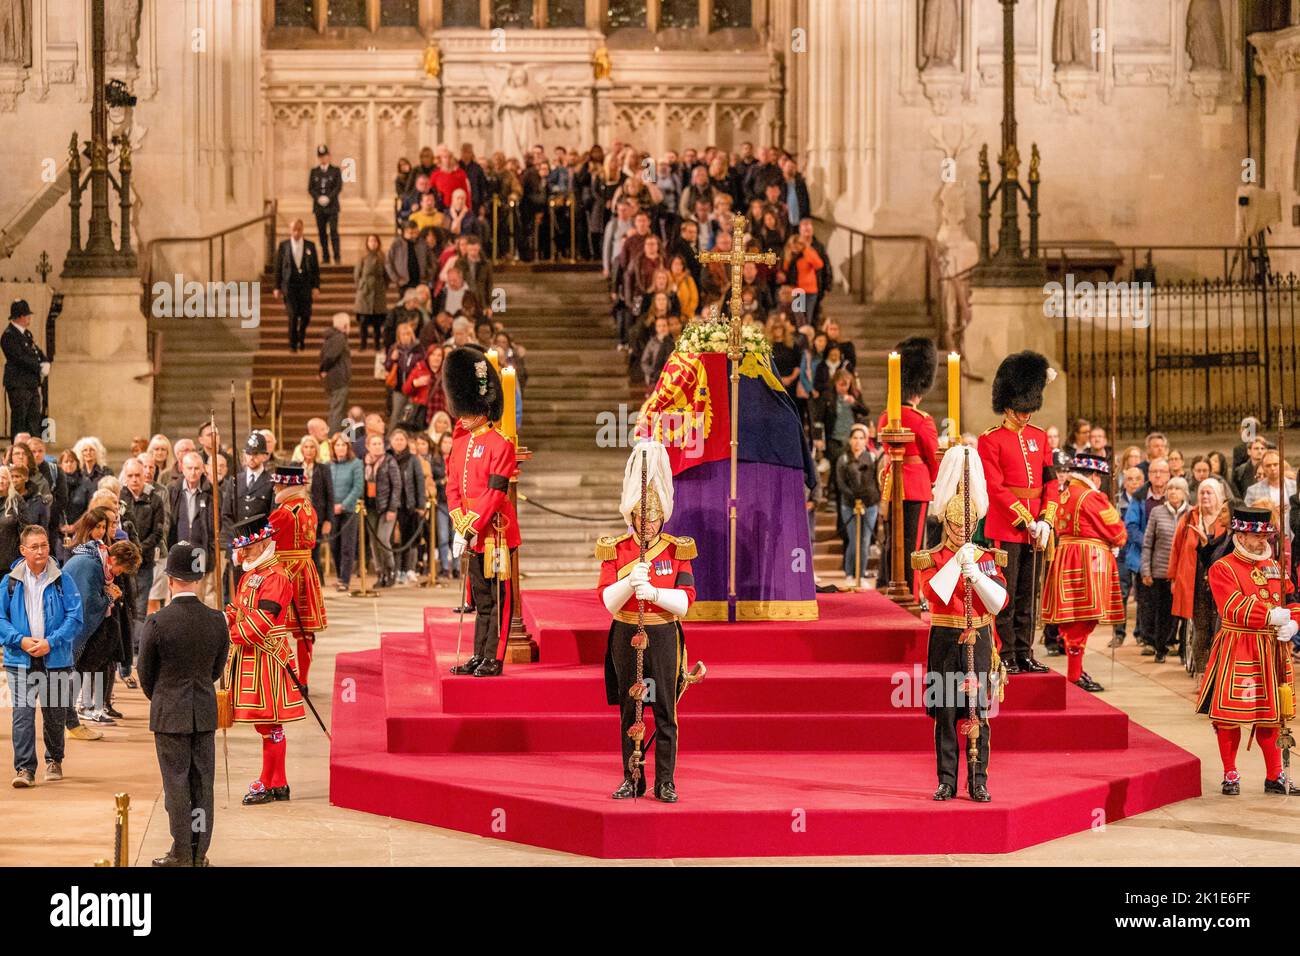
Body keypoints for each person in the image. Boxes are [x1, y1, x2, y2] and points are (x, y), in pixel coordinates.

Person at [596, 440, 697, 802]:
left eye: (655, 517)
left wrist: (654, 593)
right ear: (633, 516)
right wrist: (628, 583)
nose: (650, 524)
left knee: (665, 709)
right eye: (643, 517)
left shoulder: (677, 548)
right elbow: (607, 601)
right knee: (629, 707)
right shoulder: (617, 548)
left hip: (664, 635)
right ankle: (632, 777)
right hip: (625, 631)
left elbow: (685, 602)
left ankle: (666, 780)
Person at [912, 445, 1007, 802]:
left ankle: (978, 778)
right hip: (945, 637)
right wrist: (956, 564)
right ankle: (947, 779)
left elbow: (998, 601)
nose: (963, 532)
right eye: (958, 527)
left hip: (979, 637)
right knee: (946, 712)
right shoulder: (931, 558)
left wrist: (978, 574)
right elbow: (934, 595)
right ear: (948, 526)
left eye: (968, 526)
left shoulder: (984, 556)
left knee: (978, 711)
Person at [136, 542, 230, 866]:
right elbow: (217, 668)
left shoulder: (158, 622)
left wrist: (162, 695)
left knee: (176, 785)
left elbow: (145, 672)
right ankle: (199, 850)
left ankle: (181, 852)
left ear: (172, 579)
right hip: (203, 711)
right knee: (203, 785)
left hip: (169, 712)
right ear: (199, 579)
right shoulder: (217, 620)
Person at [1196, 505, 1300, 795]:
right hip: (1239, 646)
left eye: (1266, 535)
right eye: (1256, 536)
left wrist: (1293, 623)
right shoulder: (1223, 567)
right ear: (1239, 536)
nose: (1262, 541)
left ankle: (1275, 775)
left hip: (1272, 648)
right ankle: (1230, 773)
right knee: (1229, 715)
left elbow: (1291, 599)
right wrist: (1269, 616)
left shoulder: (1275, 566)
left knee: (1272, 713)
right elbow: (1231, 605)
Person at [977, 351, 1060, 677]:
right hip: (1008, 527)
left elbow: (1050, 481)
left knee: (1029, 594)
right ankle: (1005, 651)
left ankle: (1025, 652)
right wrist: (1025, 518)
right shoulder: (990, 440)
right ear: (1007, 405)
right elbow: (995, 487)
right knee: (1007, 595)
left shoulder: (1039, 437)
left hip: (1036, 528)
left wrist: (1046, 520)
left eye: (1029, 409)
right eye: (1021, 409)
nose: (1025, 415)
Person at [444, 347, 520, 678]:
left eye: (466, 410)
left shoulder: (500, 444)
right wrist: (459, 521)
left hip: (496, 535)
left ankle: (494, 656)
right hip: (473, 535)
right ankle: (478, 654)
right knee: (482, 601)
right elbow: (451, 486)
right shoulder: (461, 442)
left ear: (482, 409)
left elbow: (496, 492)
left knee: (500, 600)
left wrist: (471, 525)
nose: (460, 417)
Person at [224, 515, 306, 805]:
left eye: (246, 547)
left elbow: (261, 623)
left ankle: (269, 782)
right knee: (267, 726)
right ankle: (278, 782)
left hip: (267, 658)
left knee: (270, 724)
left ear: (261, 544)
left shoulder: (276, 577)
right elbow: (238, 607)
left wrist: (230, 635)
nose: (241, 553)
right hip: (252, 657)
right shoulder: (251, 573)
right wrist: (222, 620)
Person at [1, 525, 84, 788]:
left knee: (54, 714)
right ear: (23, 550)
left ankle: (54, 759)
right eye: (34, 546)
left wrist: (51, 642)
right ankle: (25, 768)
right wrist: (20, 640)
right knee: (22, 716)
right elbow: (1, 618)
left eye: (44, 545)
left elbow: (75, 617)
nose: (41, 551)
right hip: (20, 659)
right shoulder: (10, 582)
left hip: (56, 657)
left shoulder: (62, 579)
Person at [1040, 452, 1126, 692]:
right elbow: (1118, 532)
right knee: (1083, 619)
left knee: (1074, 618)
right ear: (1095, 476)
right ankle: (1075, 673)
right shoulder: (1091, 496)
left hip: (1066, 553)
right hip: (1088, 559)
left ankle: (1075, 669)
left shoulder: (1065, 493)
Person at [877, 337, 939, 592]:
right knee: (913, 544)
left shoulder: (885, 417)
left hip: (893, 483)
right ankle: (912, 593)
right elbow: (933, 456)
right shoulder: (921, 419)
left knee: (894, 541)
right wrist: (934, 480)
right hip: (916, 484)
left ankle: (893, 586)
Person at [266, 465, 327, 690]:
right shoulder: (308, 508)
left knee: (275, 626)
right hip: (306, 569)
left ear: (287, 486)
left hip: (285, 571)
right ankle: (303, 679)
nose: (274, 488)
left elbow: (265, 541)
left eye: (277, 484)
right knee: (304, 631)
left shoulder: (283, 513)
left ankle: (282, 676)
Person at [1142, 475, 1189, 663]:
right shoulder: (1157, 512)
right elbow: (1148, 543)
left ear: (1184, 492)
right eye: (1170, 489)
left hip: (1183, 572)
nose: (1173, 492)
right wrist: (1146, 569)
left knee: (1183, 614)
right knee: (1162, 612)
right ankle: (1159, 648)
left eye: (1177, 489)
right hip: (1161, 571)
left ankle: (1183, 650)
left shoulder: (1191, 513)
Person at [166, 451, 216, 606]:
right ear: (182, 468)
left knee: (197, 594)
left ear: (202, 469)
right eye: (189, 468)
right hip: (177, 547)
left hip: (199, 550)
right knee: (175, 595)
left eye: (196, 468)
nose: (193, 472)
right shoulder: (173, 490)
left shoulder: (211, 491)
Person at [837, 423, 880, 582]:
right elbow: (841, 484)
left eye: (861, 438)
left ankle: (861, 575)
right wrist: (855, 498)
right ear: (850, 440)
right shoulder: (844, 459)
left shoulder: (872, 457)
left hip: (870, 504)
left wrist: (871, 499)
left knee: (865, 540)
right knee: (853, 539)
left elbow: (875, 481)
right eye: (855, 438)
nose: (858, 441)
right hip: (849, 504)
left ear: (866, 440)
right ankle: (850, 573)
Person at [3, 300, 48, 440]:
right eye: (27, 315)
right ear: (20, 316)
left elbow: (37, 352)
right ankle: (18, 455)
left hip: (31, 384)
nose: (29, 317)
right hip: (19, 384)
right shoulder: (9, 335)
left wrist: (45, 361)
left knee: (33, 421)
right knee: (20, 422)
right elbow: (20, 358)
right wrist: (38, 366)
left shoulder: (27, 334)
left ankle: (33, 453)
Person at [273, 219, 321, 352]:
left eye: (299, 229)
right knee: (293, 316)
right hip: (290, 286)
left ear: (302, 229)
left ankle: (301, 337)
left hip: (305, 285)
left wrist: (316, 286)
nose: (296, 232)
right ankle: (293, 344)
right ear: (290, 230)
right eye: (294, 229)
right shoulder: (284, 246)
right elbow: (278, 268)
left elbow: (315, 268)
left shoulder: (310, 246)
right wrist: (276, 287)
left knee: (306, 316)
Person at [328, 434, 362, 593]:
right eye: (337, 445)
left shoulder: (355, 464)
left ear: (348, 448)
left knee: (347, 546)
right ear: (333, 448)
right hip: (332, 511)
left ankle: (345, 579)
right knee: (334, 545)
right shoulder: (328, 465)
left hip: (348, 511)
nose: (340, 448)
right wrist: (331, 506)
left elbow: (358, 488)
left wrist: (343, 505)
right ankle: (340, 576)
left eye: (343, 445)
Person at [308, 145, 342, 264]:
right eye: (321, 156)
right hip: (319, 208)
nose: (323, 158)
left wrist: (329, 197)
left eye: (325, 156)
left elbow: (338, 187)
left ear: (329, 156)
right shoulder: (314, 171)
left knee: (333, 231)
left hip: (332, 207)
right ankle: (325, 257)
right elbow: (310, 188)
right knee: (322, 233)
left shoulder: (335, 170)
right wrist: (318, 198)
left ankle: (337, 256)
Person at [319, 312, 352, 433]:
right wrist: (324, 369)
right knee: (337, 411)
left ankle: (344, 438)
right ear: (344, 325)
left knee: (339, 410)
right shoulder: (339, 338)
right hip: (338, 379)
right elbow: (330, 356)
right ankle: (333, 438)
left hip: (334, 379)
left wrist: (323, 370)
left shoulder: (331, 337)